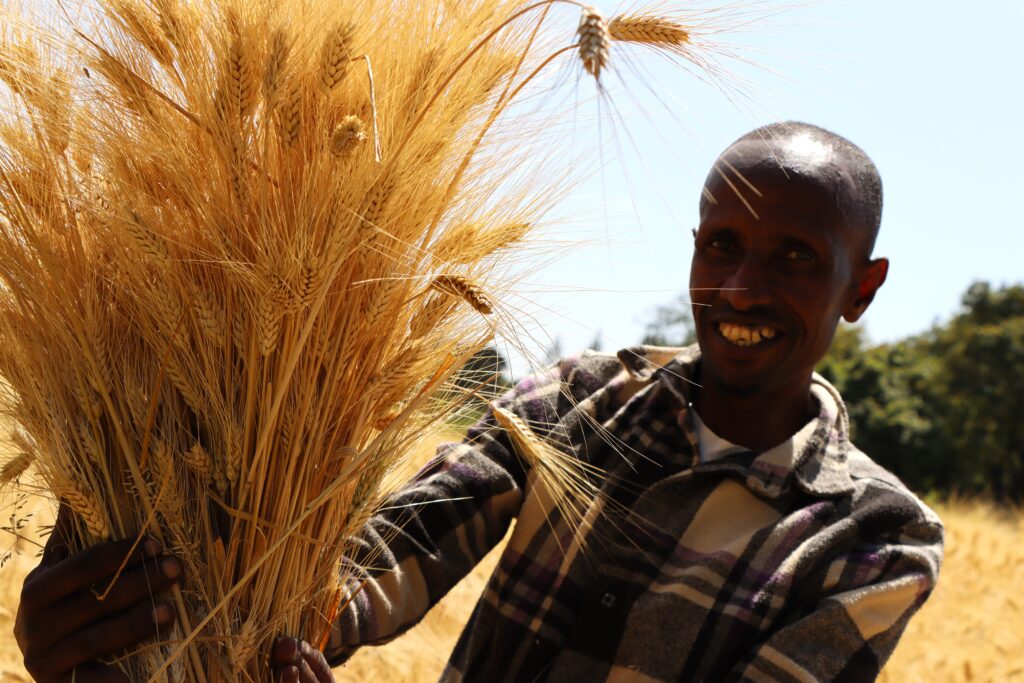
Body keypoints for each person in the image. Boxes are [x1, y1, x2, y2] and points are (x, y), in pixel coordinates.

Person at [15, 121, 944, 682]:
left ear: (862, 287)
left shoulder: (876, 540)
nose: (740, 288)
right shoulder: (575, 405)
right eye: (721, 246)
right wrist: (162, 622)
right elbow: (380, 565)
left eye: (793, 259)